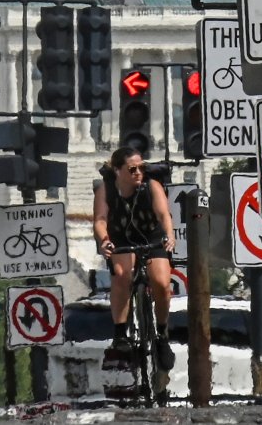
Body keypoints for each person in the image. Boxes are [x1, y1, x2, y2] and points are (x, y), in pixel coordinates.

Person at [92, 147, 178, 370]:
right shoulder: (107, 190)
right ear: (118, 171)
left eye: (142, 168)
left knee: (161, 283)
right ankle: (120, 334)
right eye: (132, 169)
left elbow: (163, 215)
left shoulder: (152, 186)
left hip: (151, 234)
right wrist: (104, 240)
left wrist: (169, 234)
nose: (138, 173)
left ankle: (161, 334)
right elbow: (100, 219)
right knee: (121, 275)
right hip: (120, 236)